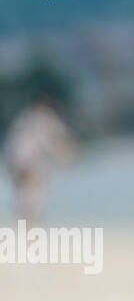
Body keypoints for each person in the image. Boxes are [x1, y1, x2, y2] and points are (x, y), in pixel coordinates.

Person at [3, 92, 78, 223]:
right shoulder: (46, 120)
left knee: (25, 200)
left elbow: (12, 143)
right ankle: (31, 231)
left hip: (18, 162)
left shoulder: (24, 117)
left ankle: (27, 229)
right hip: (31, 164)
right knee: (33, 200)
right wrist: (67, 158)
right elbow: (54, 143)